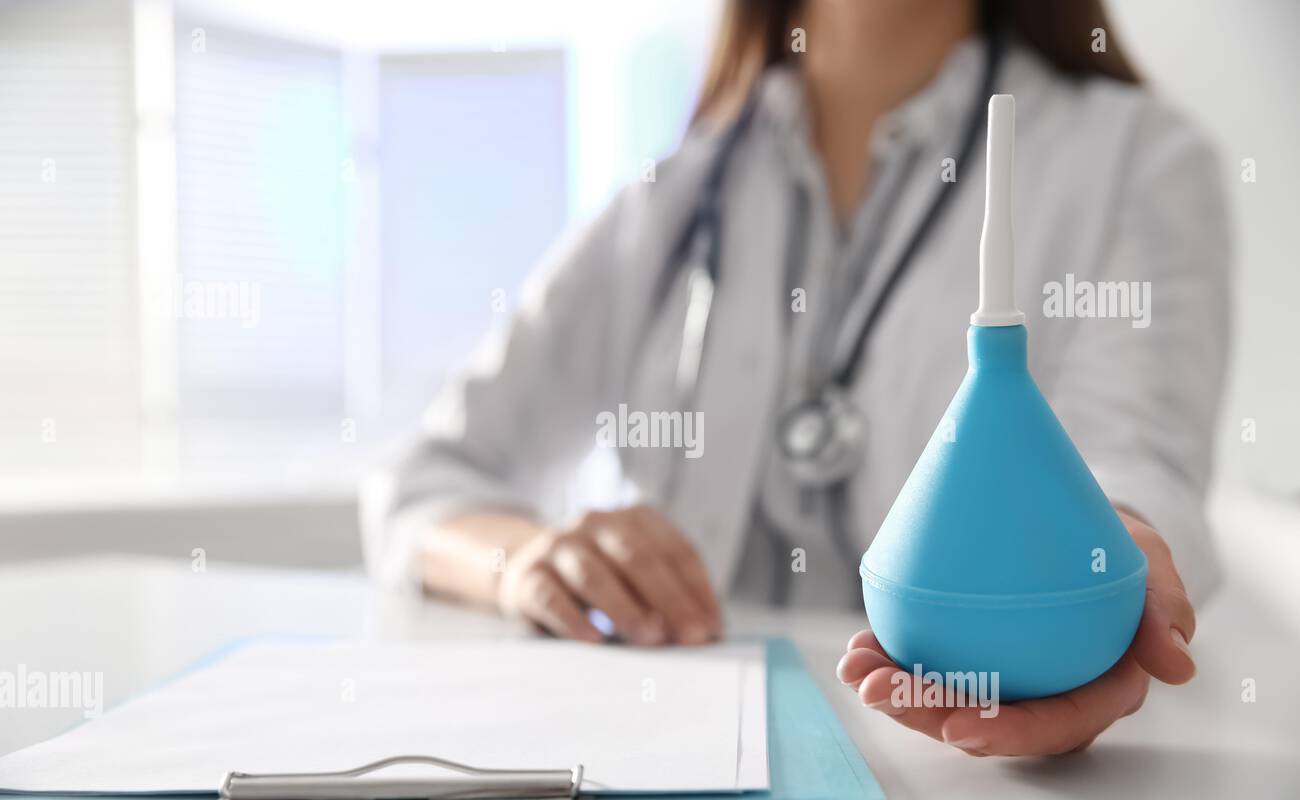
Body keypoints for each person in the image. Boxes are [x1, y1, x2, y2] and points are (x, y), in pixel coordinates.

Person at [361, 0, 1228, 756]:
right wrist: (528, 563)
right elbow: (422, 482)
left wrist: (1111, 565)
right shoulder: (671, 198)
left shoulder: (1134, 161)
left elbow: (1133, 462)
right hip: (674, 762)